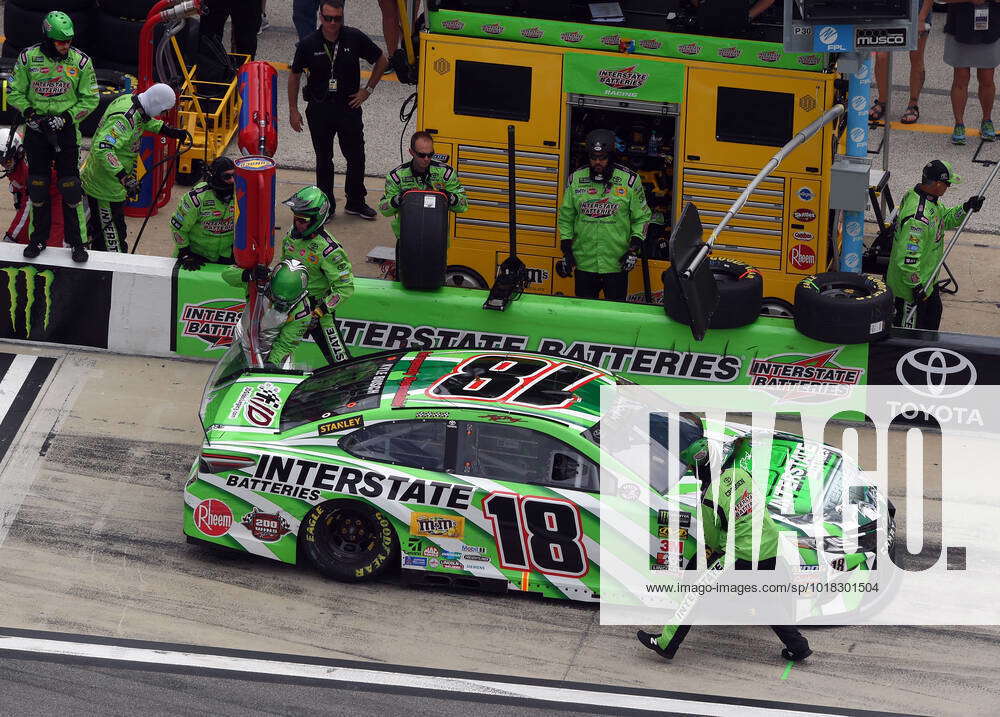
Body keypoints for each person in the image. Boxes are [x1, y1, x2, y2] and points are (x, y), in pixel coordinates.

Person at [635, 416, 812, 662]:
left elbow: (713, 542)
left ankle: (666, 643)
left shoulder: (709, 498)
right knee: (766, 601)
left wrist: (703, 563)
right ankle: (799, 647)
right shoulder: (740, 473)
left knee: (695, 593)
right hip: (770, 544)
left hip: (741, 553)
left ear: (698, 469)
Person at [7, 11, 98, 262]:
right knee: (37, 186)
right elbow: (14, 92)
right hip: (36, 132)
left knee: (70, 188)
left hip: (67, 130)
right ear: (47, 38)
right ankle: (37, 240)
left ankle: (77, 243)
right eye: (60, 41)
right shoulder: (28, 58)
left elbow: (91, 98)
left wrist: (67, 117)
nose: (66, 46)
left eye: (69, 41)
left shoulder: (80, 62)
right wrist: (30, 113)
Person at [288, 0, 388, 220]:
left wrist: (367, 90)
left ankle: (356, 201)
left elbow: (381, 59)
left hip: (348, 107)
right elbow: (294, 75)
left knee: (356, 156)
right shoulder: (308, 43)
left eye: (337, 19)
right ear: (321, 17)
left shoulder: (353, 37)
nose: (333, 23)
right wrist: (293, 110)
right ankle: (326, 205)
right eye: (328, 18)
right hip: (319, 109)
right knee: (324, 159)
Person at [81, 83, 189, 253]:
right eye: (163, 111)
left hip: (112, 185)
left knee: (111, 231)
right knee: (113, 241)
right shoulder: (123, 119)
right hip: (104, 187)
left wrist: (169, 131)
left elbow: (142, 121)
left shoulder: (131, 102)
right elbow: (103, 147)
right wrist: (124, 177)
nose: (164, 115)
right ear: (155, 104)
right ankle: (111, 272)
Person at [887, 160, 984, 330]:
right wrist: (916, 288)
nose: (948, 187)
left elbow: (944, 219)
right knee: (909, 340)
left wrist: (967, 207)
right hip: (911, 291)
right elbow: (907, 260)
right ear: (938, 184)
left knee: (932, 322)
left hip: (928, 284)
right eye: (947, 183)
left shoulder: (927, 198)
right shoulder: (918, 219)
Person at [556, 129, 651, 300]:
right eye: (593, 158)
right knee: (584, 315)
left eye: (602, 158)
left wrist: (633, 249)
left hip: (616, 264)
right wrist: (566, 249)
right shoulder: (575, 179)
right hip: (584, 263)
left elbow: (642, 217)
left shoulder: (630, 180)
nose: (597, 162)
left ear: (611, 157)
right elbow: (566, 217)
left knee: (615, 317)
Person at [280, 186, 354, 365]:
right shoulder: (291, 234)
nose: (297, 223)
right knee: (275, 350)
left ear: (316, 218)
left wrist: (320, 311)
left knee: (340, 361)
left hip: (318, 311)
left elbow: (345, 288)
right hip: (291, 304)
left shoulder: (330, 250)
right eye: (295, 217)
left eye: (303, 220)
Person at [223, 260, 317, 368]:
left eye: (286, 301)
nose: (279, 302)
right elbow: (226, 274)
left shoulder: (302, 311)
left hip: (273, 351)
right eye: (275, 296)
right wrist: (248, 274)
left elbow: (286, 344)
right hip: (243, 339)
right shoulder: (260, 280)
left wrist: (272, 363)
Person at [379, 131, 468, 238]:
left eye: (430, 154)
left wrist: (450, 197)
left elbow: (463, 205)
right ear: (411, 152)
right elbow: (384, 210)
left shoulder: (446, 173)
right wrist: (398, 199)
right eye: (421, 155)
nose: (426, 159)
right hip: (407, 238)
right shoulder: (396, 176)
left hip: (437, 238)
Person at [943, 0, 1000, 144]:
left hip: (990, 26)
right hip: (960, 25)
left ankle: (987, 120)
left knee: (987, 79)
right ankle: (959, 124)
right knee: (960, 79)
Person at [869, 0, 934, 124]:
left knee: (916, 56)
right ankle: (882, 101)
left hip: (918, 6)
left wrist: (922, 17)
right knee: (881, 56)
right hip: (888, 7)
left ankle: (913, 103)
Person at [0, 127, 64, 247]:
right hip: (41, 188)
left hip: (58, 194)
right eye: (2, 162)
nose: (5, 165)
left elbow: (27, 206)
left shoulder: (27, 167)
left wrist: (11, 236)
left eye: (7, 161)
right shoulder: (16, 160)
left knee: (55, 242)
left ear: (18, 152)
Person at [170, 157, 236, 269]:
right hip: (195, 256)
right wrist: (185, 254)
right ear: (216, 177)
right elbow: (177, 228)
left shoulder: (241, 196)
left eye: (235, 176)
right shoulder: (196, 199)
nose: (232, 180)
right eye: (227, 176)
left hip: (225, 256)